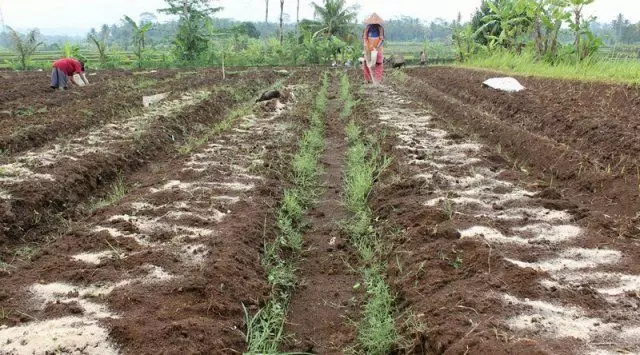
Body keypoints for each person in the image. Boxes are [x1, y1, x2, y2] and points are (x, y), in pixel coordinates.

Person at [362, 13, 385, 85]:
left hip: (377, 49)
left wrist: (377, 48)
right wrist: (366, 46)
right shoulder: (367, 28)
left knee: (378, 64)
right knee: (366, 63)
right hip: (368, 48)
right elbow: (365, 38)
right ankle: (367, 79)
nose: (374, 23)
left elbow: (381, 39)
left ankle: (377, 80)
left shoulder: (380, 28)